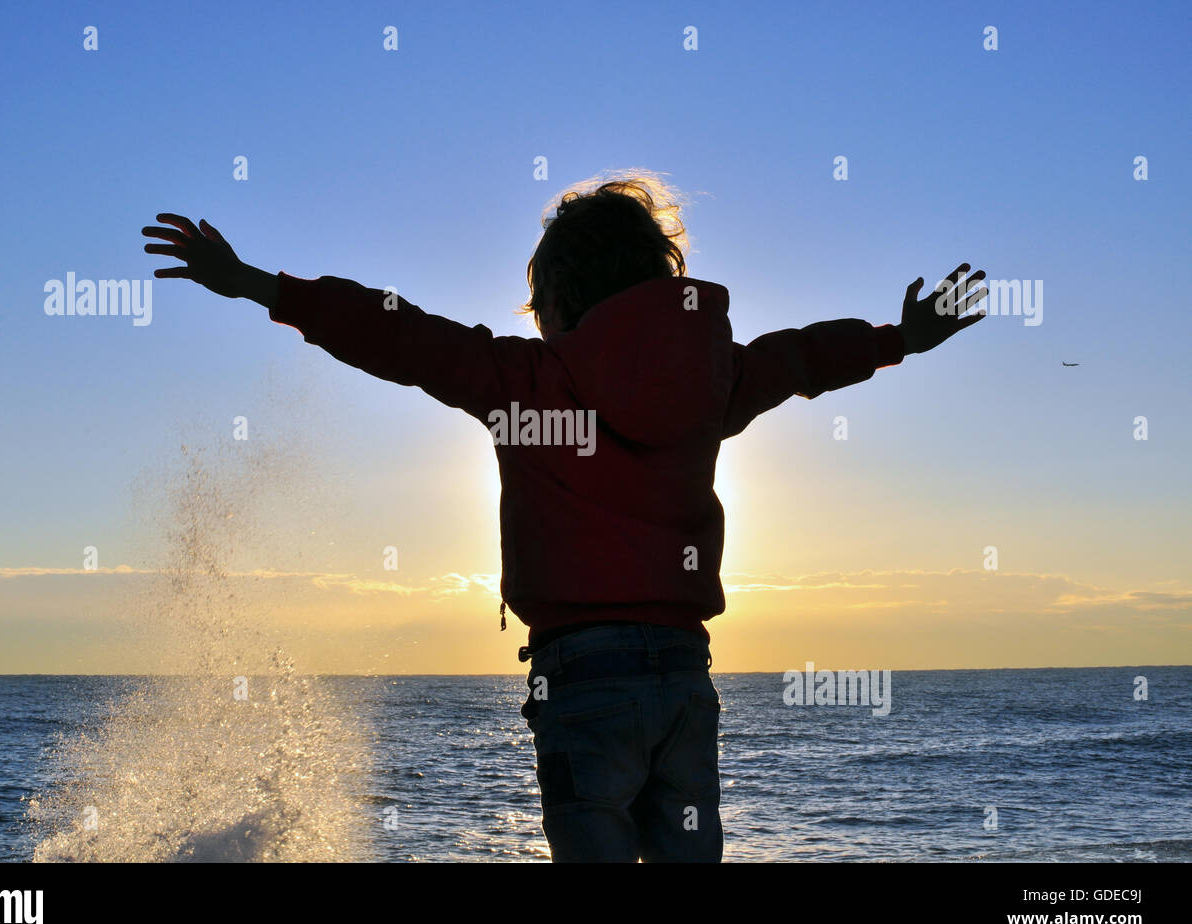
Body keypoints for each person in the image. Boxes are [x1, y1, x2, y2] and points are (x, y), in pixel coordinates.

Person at [142, 172, 987, 862]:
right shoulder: (711, 378)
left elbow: (394, 334)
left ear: (557, 297)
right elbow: (801, 358)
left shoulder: (523, 382)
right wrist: (899, 337)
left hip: (583, 679)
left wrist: (256, 284)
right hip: (686, 679)